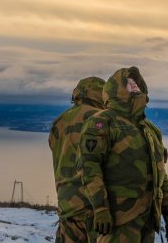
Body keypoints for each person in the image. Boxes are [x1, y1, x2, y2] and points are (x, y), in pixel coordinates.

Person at [78, 67, 168, 242]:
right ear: (117, 89)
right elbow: (89, 167)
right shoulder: (102, 122)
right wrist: (100, 209)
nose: (135, 87)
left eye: (136, 83)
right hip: (118, 220)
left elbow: (160, 171)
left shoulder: (150, 129)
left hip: (148, 219)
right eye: (129, 84)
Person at [49, 76, 107, 242]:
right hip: (96, 209)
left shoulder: (59, 121)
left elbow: (54, 148)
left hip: (67, 207)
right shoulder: (102, 119)